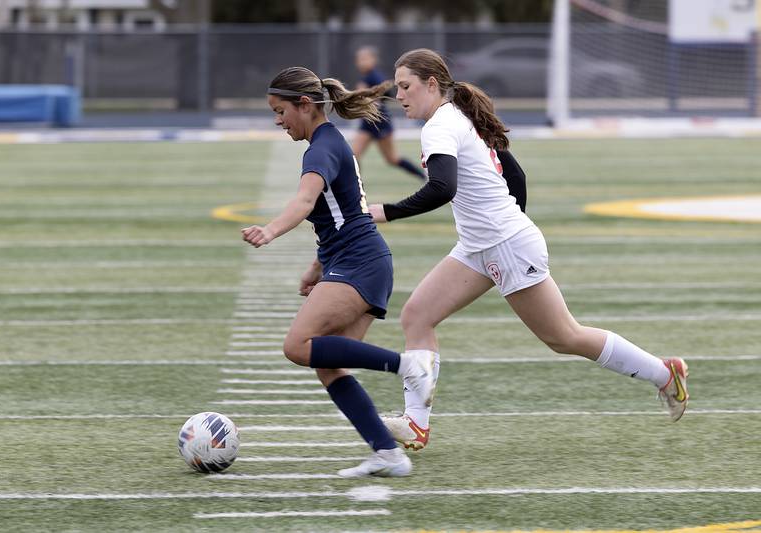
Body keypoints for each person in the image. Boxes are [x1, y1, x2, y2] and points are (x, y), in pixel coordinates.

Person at [306, 48, 690, 451]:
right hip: (480, 247)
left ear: (431, 84)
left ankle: (665, 373)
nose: (399, 96)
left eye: (406, 86)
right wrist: (503, 227)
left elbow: (442, 188)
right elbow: (515, 174)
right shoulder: (457, 116)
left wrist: (387, 212)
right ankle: (416, 424)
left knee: (564, 337)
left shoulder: (440, 125)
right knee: (417, 315)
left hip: (505, 245)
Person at [241, 66, 437, 477]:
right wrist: (317, 265)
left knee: (297, 345)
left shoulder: (320, 148)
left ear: (305, 105)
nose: (278, 121)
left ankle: (407, 366)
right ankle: (388, 454)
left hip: (359, 262)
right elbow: (339, 213)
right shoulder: (328, 142)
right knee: (328, 365)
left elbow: (304, 201)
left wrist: (270, 230)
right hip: (359, 260)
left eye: (280, 111)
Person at [352, 46, 425, 181]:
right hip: (367, 123)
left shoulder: (375, 77)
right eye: (359, 59)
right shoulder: (366, 78)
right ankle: (356, 186)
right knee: (353, 156)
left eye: (365, 59)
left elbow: (386, 95)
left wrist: (366, 96)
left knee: (392, 159)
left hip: (381, 122)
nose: (361, 62)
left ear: (373, 60)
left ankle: (423, 175)